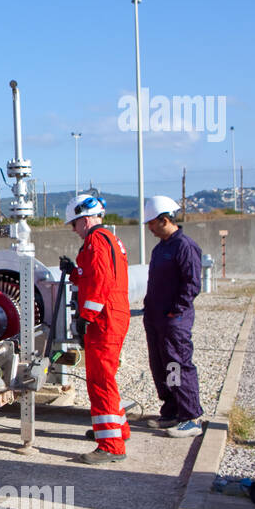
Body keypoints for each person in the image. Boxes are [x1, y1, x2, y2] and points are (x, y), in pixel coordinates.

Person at [63, 193, 131, 464]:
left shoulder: (95, 240)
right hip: (113, 314)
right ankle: (117, 429)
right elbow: (96, 274)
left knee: (100, 380)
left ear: (86, 219)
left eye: (74, 223)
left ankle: (111, 446)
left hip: (104, 319)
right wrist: (73, 271)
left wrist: (86, 315)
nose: (73, 229)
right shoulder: (109, 239)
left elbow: (102, 280)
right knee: (106, 377)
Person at [141, 196, 204, 437]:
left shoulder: (184, 246)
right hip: (156, 318)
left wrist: (175, 311)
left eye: (152, 223)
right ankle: (171, 411)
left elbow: (192, 283)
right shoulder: (160, 248)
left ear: (164, 220)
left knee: (177, 363)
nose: (149, 228)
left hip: (173, 320)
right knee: (160, 365)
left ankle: (190, 417)